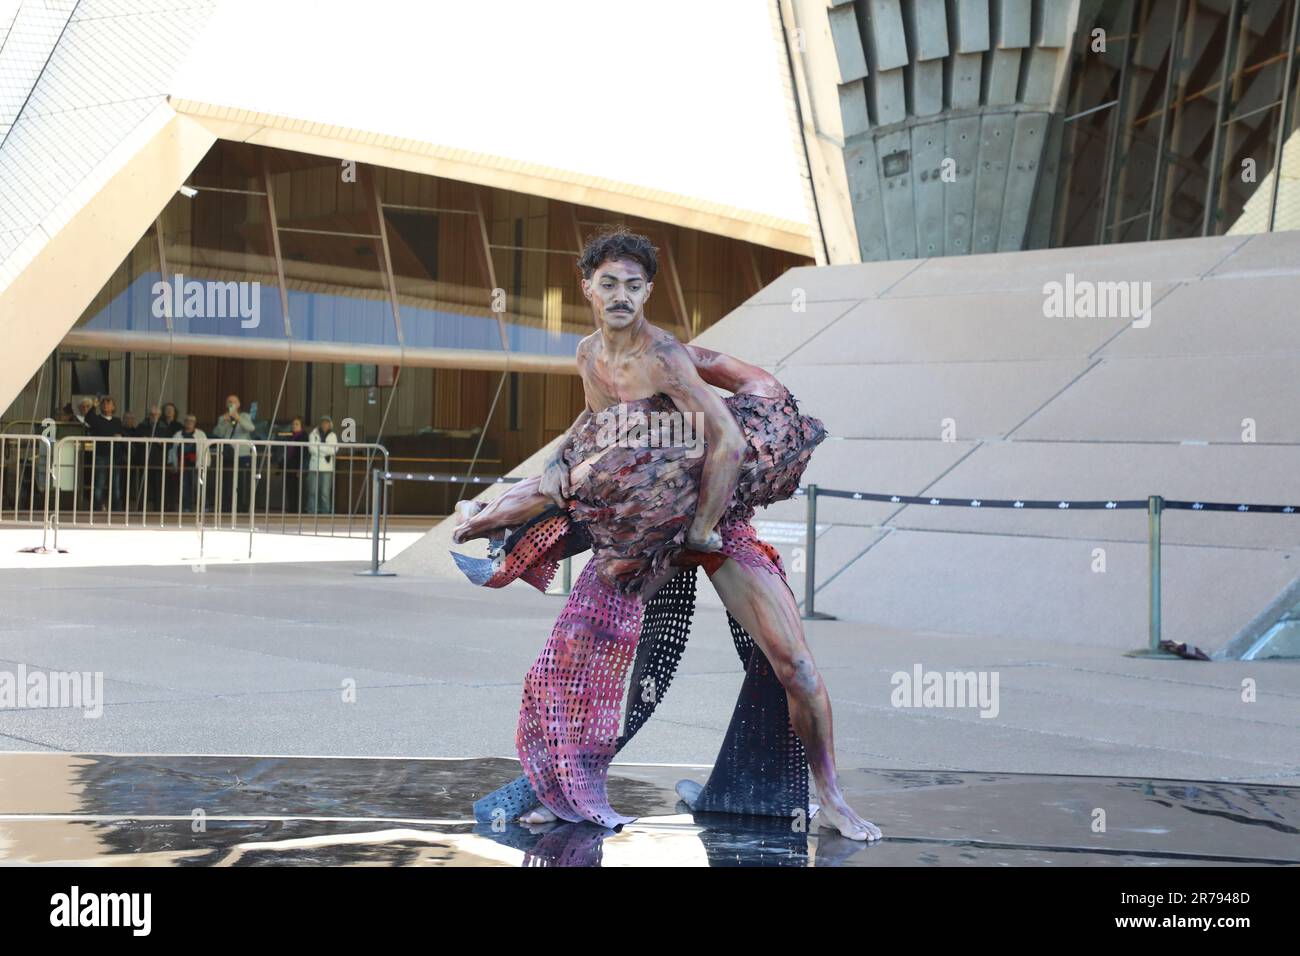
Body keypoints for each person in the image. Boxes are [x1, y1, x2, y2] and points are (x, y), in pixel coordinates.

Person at [452, 228, 880, 842]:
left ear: (648, 290)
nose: (621, 295)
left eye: (633, 285)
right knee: (577, 664)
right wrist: (560, 464)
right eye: (609, 284)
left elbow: (729, 440)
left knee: (797, 668)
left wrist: (706, 527)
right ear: (588, 289)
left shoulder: (667, 357)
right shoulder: (589, 356)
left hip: (710, 521)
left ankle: (831, 796)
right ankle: (562, 790)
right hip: (647, 528)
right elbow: (601, 426)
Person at [211, 394, 255, 515]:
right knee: (227, 480)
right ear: (226, 404)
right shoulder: (222, 418)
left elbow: (251, 428)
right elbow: (217, 433)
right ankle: (226, 506)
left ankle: (240, 506)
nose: (232, 404)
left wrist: (238, 418)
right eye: (229, 402)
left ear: (239, 404)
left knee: (241, 480)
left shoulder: (245, 416)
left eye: (234, 402)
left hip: (242, 453)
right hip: (227, 453)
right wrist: (224, 421)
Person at [83, 396, 127, 511]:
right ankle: (97, 508)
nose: (106, 406)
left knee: (115, 485)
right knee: (99, 483)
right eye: (104, 404)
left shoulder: (117, 421)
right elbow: (88, 418)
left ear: (113, 407)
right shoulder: (97, 419)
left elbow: (122, 433)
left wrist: (121, 437)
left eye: (109, 404)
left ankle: (116, 510)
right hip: (101, 455)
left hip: (115, 456)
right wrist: (94, 406)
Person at [168, 414, 207, 512]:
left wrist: (206, 464)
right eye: (187, 421)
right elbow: (172, 450)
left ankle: (203, 507)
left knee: (199, 487)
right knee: (184, 488)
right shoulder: (177, 435)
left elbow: (206, 450)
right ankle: (187, 507)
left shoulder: (200, 434)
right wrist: (171, 462)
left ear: (195, 423)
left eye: (192, 421)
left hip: (197, 466)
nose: (189, 423)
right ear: (184, 422)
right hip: (183, 466)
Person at [307, 415, 338, 515]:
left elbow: (333, 450)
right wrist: (325, 450)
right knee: (312, 491)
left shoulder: (333, 436)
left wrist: (319, 448)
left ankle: (326, 513)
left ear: (330, 424)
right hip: (314, 466)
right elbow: (311, 448)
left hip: (327, 467)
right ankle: (312, 511)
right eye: (323, 422)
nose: (325, 424)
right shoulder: (313, 434)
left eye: (327, 422)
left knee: (325, 493)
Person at [281, 416, 308, 513]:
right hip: (289, 465)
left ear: (301, 426)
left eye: (296, 424)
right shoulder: (289, 436)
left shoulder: (304, 437)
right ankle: (291, 507)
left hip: (298, 466)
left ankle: (298, 509)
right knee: (290, 487)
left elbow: (304, 454)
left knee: (298, 488)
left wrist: (301, 468)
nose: (294, 426)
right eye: (293, 424)